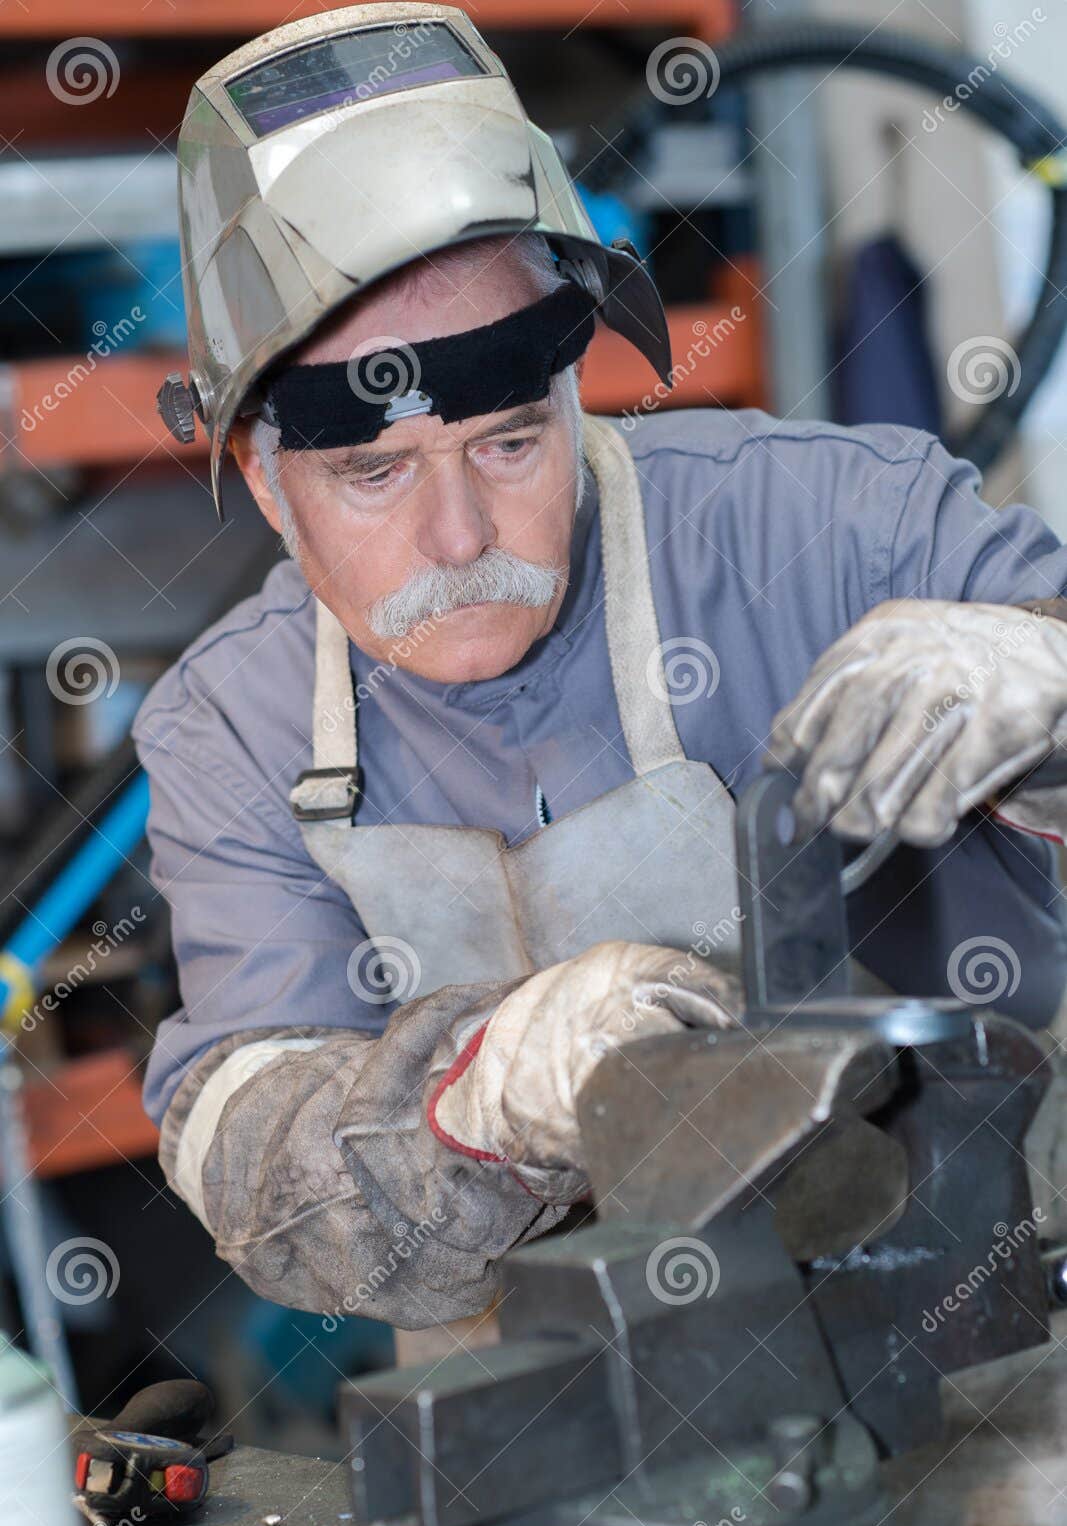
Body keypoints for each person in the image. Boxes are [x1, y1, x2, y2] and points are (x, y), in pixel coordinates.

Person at [139, 4, 1067, 1343]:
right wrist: (476, 1097)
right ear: (266, 481)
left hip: (993, 1342)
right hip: (570, 1432)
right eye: (377, 472)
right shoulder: (235, 731)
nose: (457, 539)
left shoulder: (822, 529)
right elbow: (249, 1152)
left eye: (512, 442)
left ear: (576, 386)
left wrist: (1046, 674)